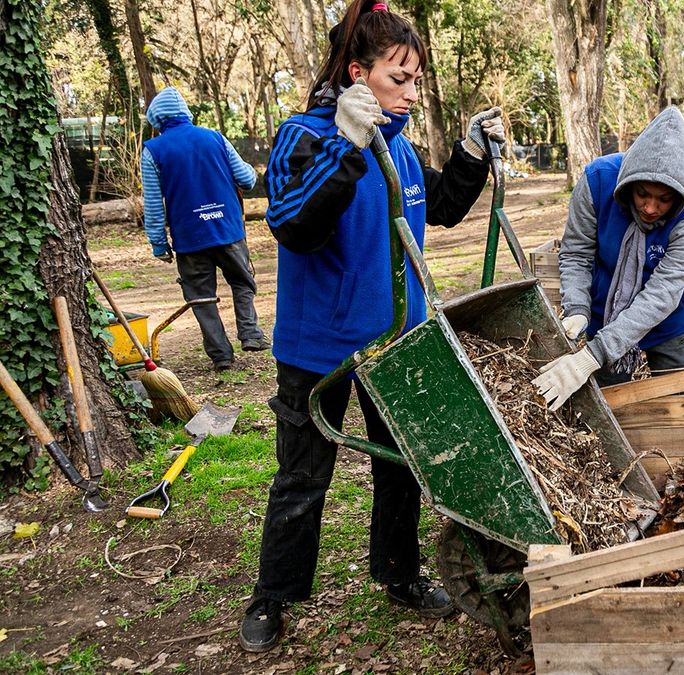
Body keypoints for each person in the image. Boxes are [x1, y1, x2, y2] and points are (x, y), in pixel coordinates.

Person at [238, 0, 505, 653]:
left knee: (402, 466)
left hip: (395, 341)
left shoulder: (399, 147)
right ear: (358, 74)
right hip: (319, 347)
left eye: (416, 80)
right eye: (398, 78)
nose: (411, 93)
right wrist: (345, 145)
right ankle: (273, 593)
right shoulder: (303, 135)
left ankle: (399, 572)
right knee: (303, 475)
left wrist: (471, 152)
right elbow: (293, 224)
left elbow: (441, 206)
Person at [533, 106, 684, 411]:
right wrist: (577, 308)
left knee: (678, 410)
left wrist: (594, 354)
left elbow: (663, 293)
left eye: (664, 199)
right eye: (642, 194)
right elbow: (576, 252)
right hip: (606, 314)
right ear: (629, 182)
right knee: (606, 407)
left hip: (673, 322)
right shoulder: (598, 181)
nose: (650, 208)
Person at [141, 87, 268, 371]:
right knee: (242, 281)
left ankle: (221, 355)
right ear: (186, 112)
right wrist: (247, 170)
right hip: (227, 229)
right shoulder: (215, 138)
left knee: (200, 297)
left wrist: (159, 244)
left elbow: (153, 204)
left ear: (156, 120)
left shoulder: (153, 151)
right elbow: (247, 180)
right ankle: (250, 334)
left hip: (190, 238)